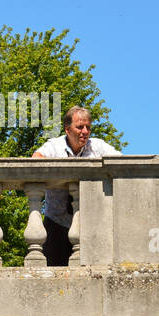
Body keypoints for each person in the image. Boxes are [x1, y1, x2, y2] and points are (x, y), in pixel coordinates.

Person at [31, 106, 121, 265]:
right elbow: (35, 159)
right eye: (80, 127)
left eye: (88, 127)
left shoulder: (97, 146)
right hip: (56, 224)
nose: (85, 131)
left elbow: (121, 163)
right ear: (67, 129)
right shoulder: (54, 145)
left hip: (90, 225)